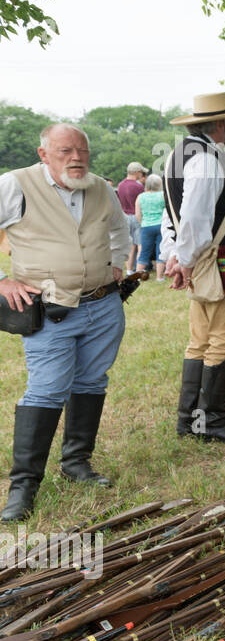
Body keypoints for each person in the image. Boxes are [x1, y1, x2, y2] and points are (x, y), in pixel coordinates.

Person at [0, 123, 130, 521]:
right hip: (49, 310)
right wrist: (1, 280)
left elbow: (119, 229)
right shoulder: (15, 184)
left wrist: (119, 263)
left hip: (103, 306)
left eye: (82, 151)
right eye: (64, 151)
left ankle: (76, 463)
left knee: (92, 380)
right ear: (43, 155)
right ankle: (23, 485)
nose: (76, 158)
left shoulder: (101, 188)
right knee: (47, 389)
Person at [159, 91, 225, 444]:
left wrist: (174, 254)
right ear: (218, 125)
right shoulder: (205, 159)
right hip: (220, 261)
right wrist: (183, 259)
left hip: (201, 260)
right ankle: (212, 422)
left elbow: (171, 217)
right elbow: (194, 216)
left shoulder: (179, 155)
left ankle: (192, 421)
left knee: (200, 342)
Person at [116, 161, 146, 272]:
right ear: (137, 172)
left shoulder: (120, 185)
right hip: (137, 216)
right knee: (140, 244)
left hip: (125, 216)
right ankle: (139, 270)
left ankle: (129, 270)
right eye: (141, 172)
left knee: (130, 245)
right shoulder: (138, 186)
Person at [135, 174, 166, 278]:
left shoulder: (140, 196)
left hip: (146, 226)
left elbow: (138, 214)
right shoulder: (163, 195)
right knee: (160, 251)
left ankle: (137, 277)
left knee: (144, 251)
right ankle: (159, 277)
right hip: (161, 226)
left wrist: (142, 223)